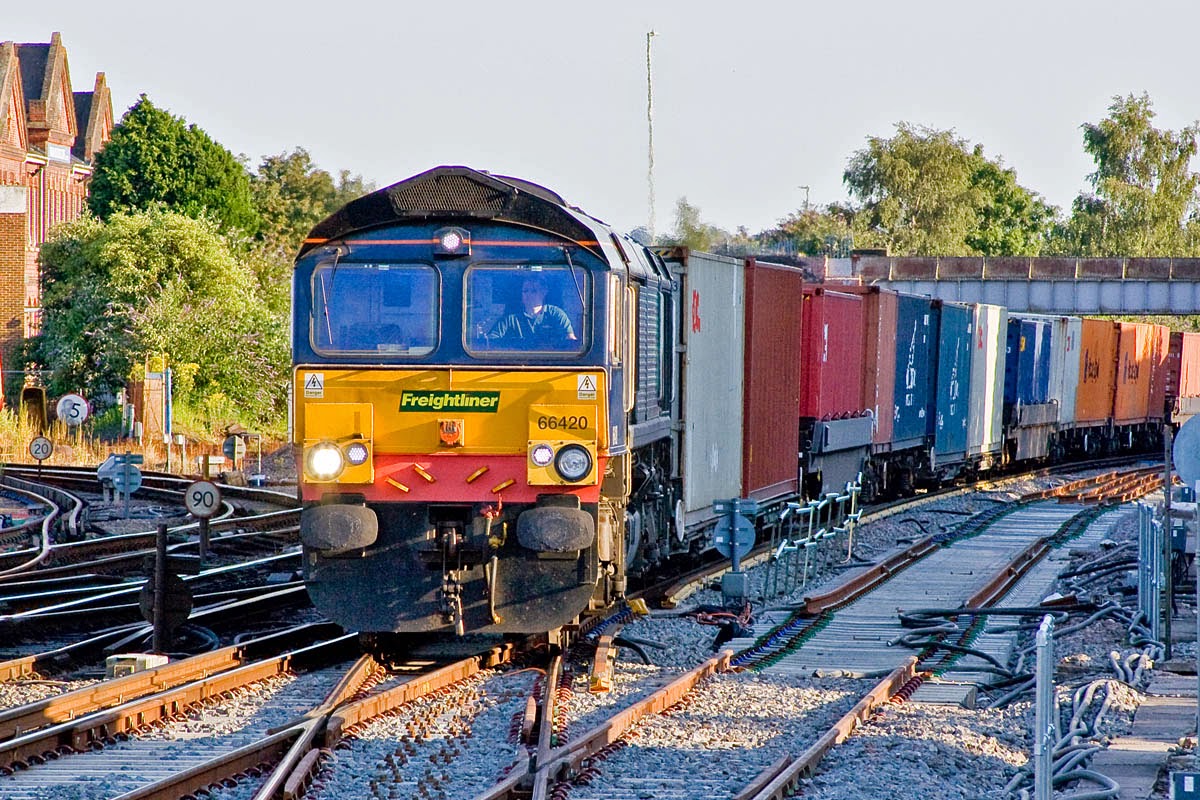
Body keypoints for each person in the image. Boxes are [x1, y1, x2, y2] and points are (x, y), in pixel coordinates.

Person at [488, 276, 577, 348]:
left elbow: (570, 339)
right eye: (525, 291)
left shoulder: (557, 314)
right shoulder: (510, 318)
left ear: (544, 292)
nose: (528, 294)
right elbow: (491, 341)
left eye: (533, 291)